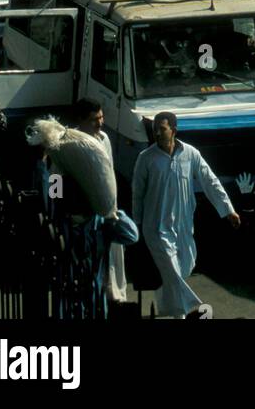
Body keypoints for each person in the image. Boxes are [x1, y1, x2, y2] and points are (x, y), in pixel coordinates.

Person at [132, 111, 239, 320]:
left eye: (161, 129)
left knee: (181, 270)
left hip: (184, 225)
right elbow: (137, 193)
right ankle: (194, 310)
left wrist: (228, 210)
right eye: (155, 129)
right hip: (156, 227)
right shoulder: (146, 158)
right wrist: (137, 223)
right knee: (171, 270)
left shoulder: (191, 154)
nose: (157, 133)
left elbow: (210, 181)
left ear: (174, 130)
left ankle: (167, 309)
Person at [73, 97, 128, 308]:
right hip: (82, 213)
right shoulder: (68, 142)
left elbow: (109, 173)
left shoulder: (104, 139)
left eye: (101, 117)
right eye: (94, 119)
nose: (100, 123)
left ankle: (113, 297)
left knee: (112, 258)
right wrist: (57, 203)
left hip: (106, 209)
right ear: (81, 120)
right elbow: (55, 178)